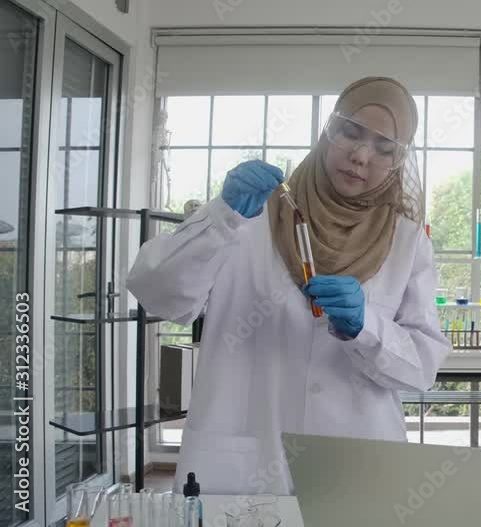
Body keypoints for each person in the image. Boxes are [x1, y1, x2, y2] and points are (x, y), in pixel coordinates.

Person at [127, 77, 451, 495]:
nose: (360, 155)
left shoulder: (406, 241)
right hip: (248, 460)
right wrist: (222, 216)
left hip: (357, 465)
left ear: (398, 160)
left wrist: (366, 326)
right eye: (350, 132)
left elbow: (423, 368)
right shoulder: (250, 217)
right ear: (327, 131)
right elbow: (157, 290)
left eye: (384, 147)